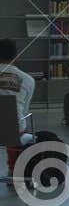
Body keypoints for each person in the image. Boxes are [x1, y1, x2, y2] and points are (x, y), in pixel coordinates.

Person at [0, 38, 36, 175]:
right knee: (15, 124)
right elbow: (25, 109)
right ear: (16, 56)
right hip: (13, 130)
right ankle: (14, 170)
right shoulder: (27, 79)